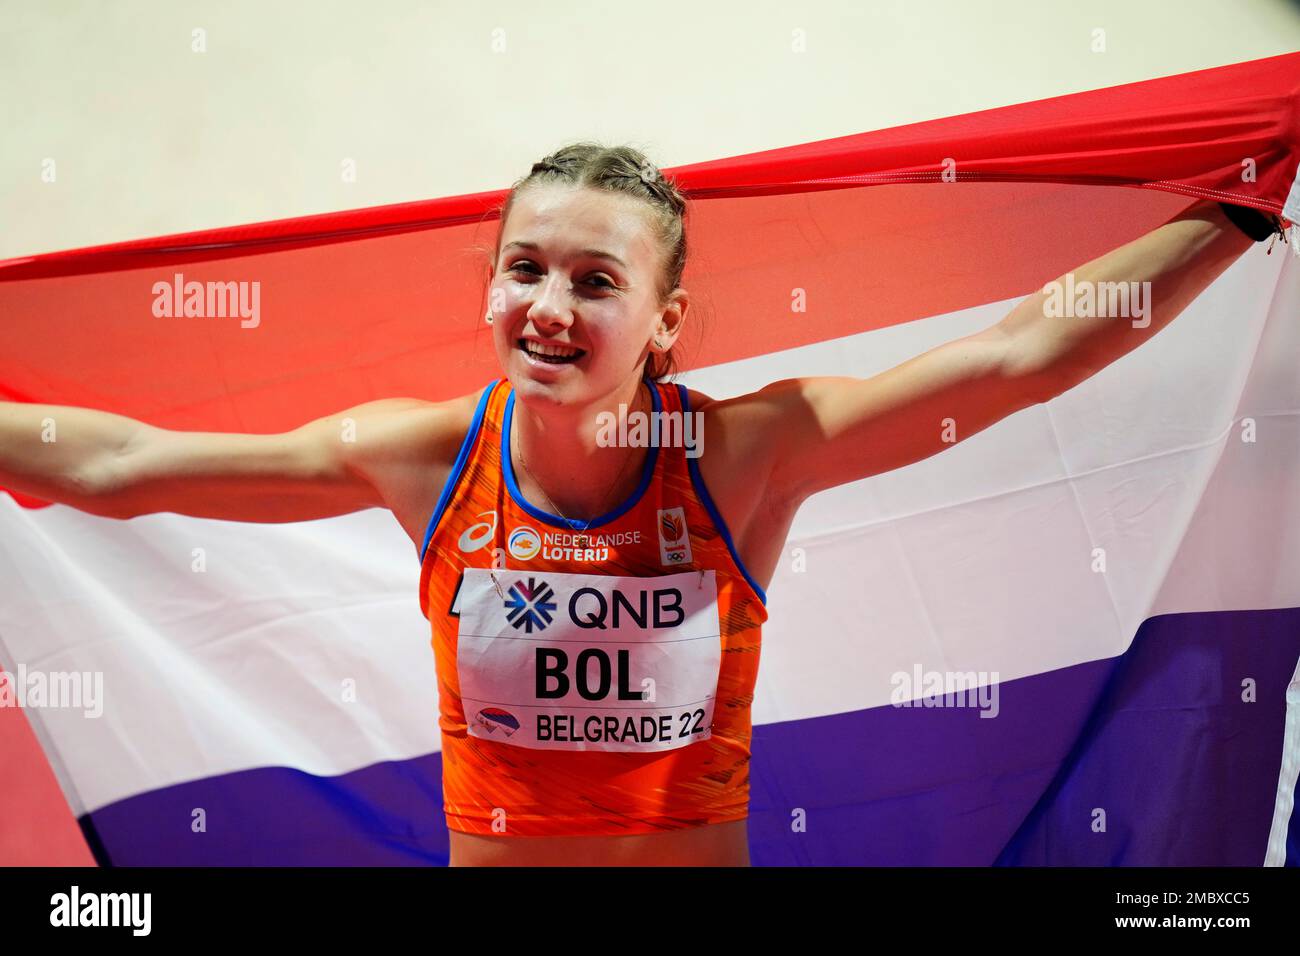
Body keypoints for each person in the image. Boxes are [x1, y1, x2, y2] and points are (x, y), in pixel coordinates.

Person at [0, 142, 1277, 867]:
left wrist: (1235, 205)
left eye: (594, 278)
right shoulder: (420, 457)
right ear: (490, 289)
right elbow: (116, 465)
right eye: (525, 266)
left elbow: (1017, 363)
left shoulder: (741, 455)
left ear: (664, 320)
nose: (550, 304)